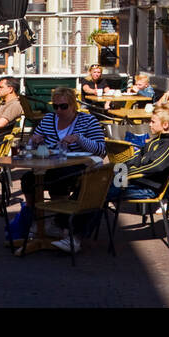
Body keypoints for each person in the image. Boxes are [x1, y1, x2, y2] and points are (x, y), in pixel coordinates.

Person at [20, 88, 106, 255]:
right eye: (56, 106)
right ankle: (36, 222)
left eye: (63, 106)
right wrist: (33, 141)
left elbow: (101, 150)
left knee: (60, 180)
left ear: (73, 105)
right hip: (52, 165)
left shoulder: (88, 121)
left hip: (79, 166)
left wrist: (79, 139)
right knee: (28, 179)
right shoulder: (48, 119)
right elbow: (30, 146)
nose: (59, 110)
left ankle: (57, 223)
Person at [108, 106, 169, 204]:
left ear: (165, 125)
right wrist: (116, 168)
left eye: (153, 122)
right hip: (137, 183)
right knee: (101, 186)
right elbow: (136, 158)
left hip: (149, 189)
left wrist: (129, 172)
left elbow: (157, 166)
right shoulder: (154, 142)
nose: (149, 125)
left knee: (103, 193)